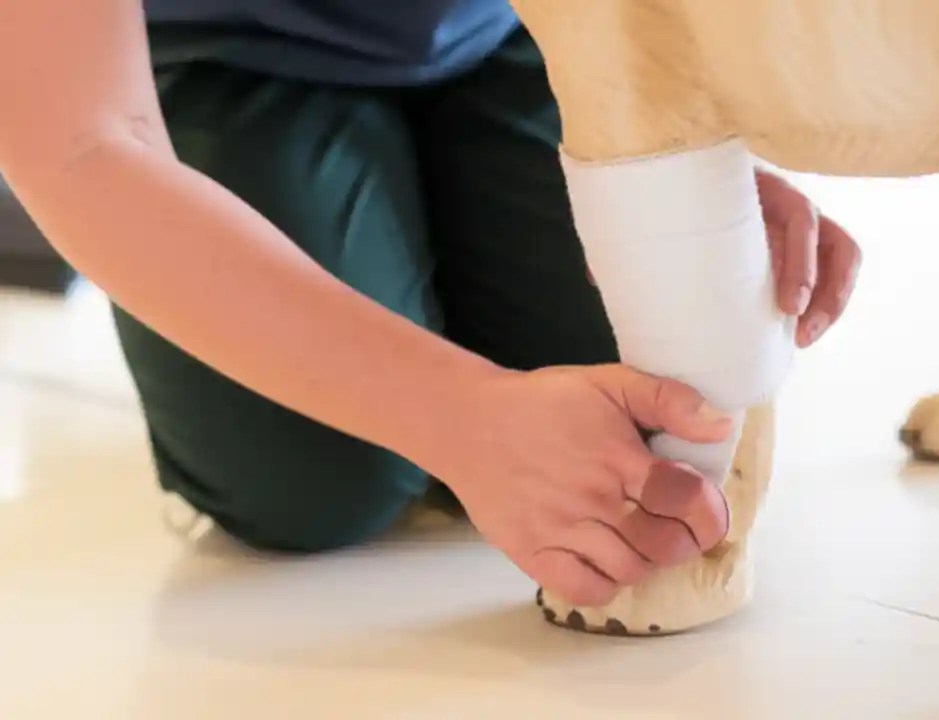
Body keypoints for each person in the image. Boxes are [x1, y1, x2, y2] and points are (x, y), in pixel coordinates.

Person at [0, 1, 859, 607]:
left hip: (511, 30)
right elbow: (83, 145)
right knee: (311, 483)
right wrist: (463, 416)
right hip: (217, 50)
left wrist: (689, 159)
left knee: (653, 391)